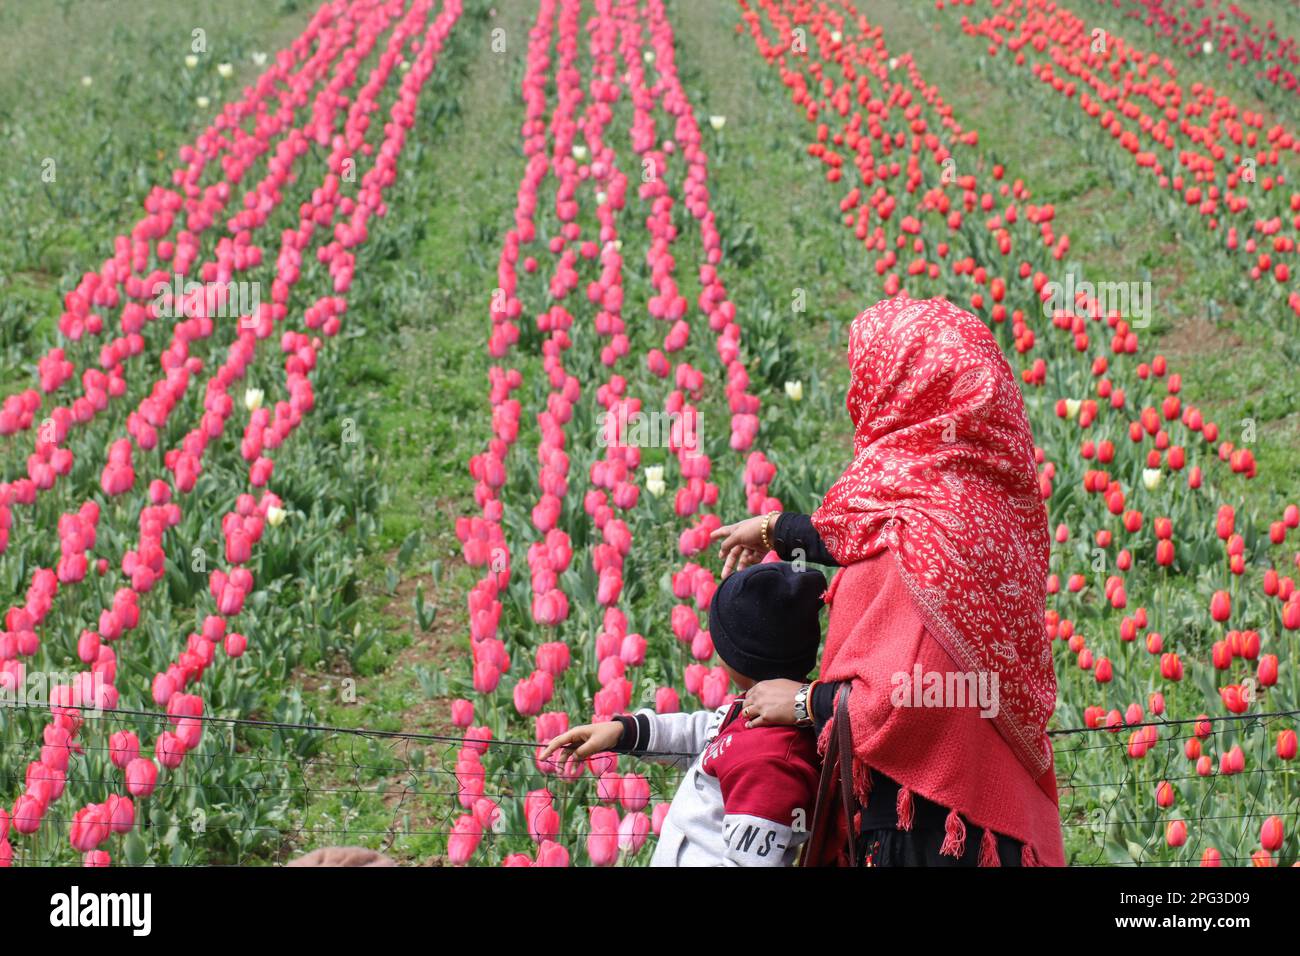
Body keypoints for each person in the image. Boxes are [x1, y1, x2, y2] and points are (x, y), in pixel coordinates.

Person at [714, 293, 1066, 867]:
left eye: (868, 377)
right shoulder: (988, 500)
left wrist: (804, 702)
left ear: (906, 390)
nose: (859, 395)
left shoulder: (929, 533)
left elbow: (903, 701)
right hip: (989, 816)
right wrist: (780, 529)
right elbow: (874, 532)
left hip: (927, 825)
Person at [541, 562, 825, 866]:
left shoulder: (772, 764)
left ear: (738, 657)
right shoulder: (762, 707)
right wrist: (624, 732)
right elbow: (705, 734)